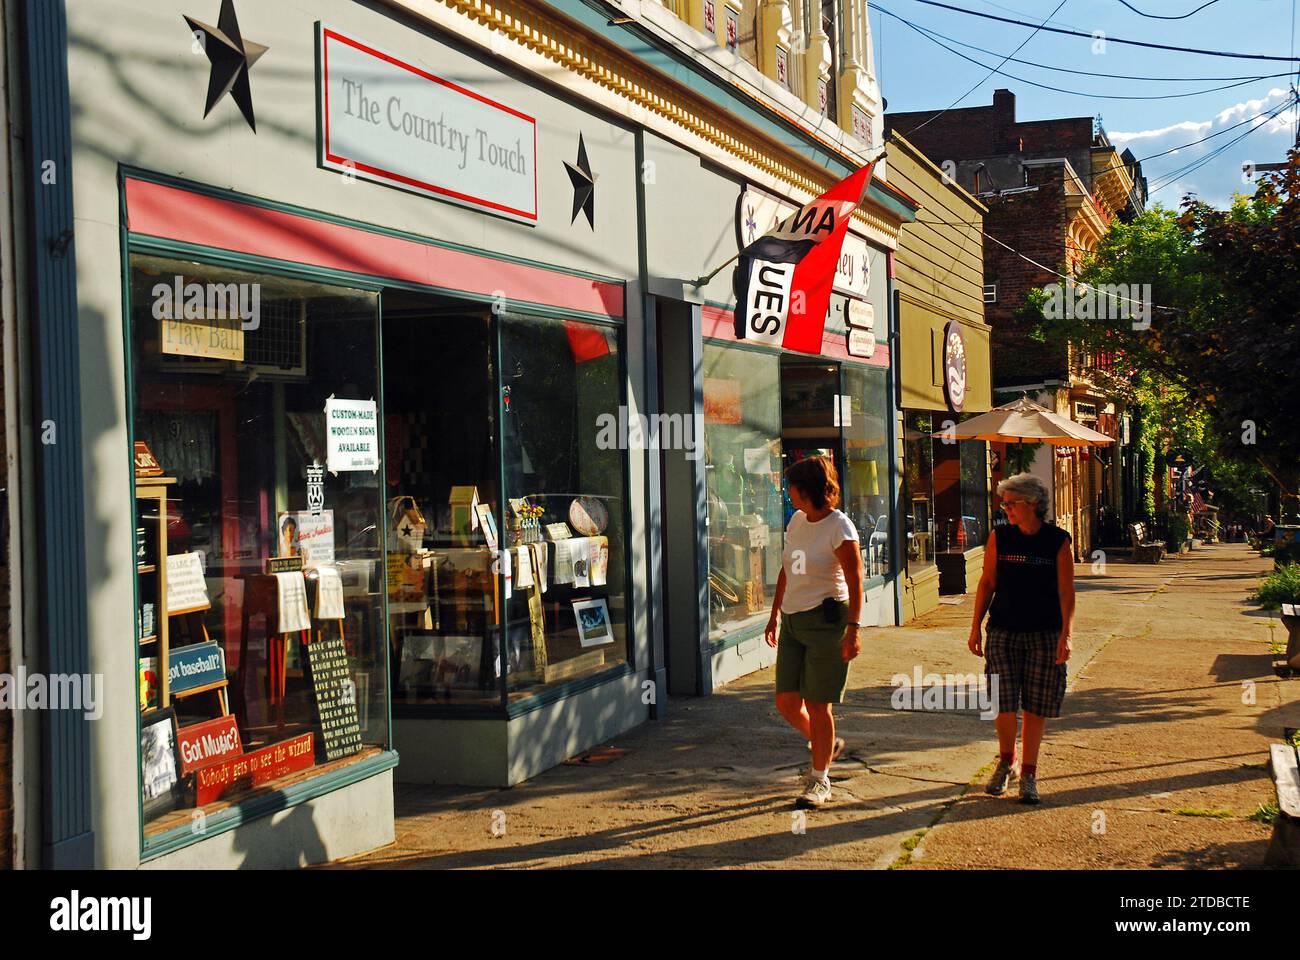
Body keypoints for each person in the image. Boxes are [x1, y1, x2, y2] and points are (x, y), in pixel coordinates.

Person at [967, 473, 1075, 805]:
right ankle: (1006, 760)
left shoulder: (1058, 541)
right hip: (1003, 631)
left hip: (1045, 633)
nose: (1005, 509)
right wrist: (975, 627)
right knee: (1001, 702)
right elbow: (987, 583)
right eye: (1004, 504)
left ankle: (1028, 773)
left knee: (1034, 706)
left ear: (1031, 504)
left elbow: (1066, 591)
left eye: (1010, 503)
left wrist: (1066, 635)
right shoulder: (1000, 537)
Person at [764, 456, 863, 809]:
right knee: (787, 701)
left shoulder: (840, 527)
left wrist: (853, 629)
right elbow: (787, 568)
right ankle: (825, 745)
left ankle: (820, 779)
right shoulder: (796, 520)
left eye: (790, 485)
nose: (786, 491)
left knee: (817, 705)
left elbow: (855, 580)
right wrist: (774, 613)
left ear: (805, 490)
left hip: (826, 623)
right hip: (792, 621)